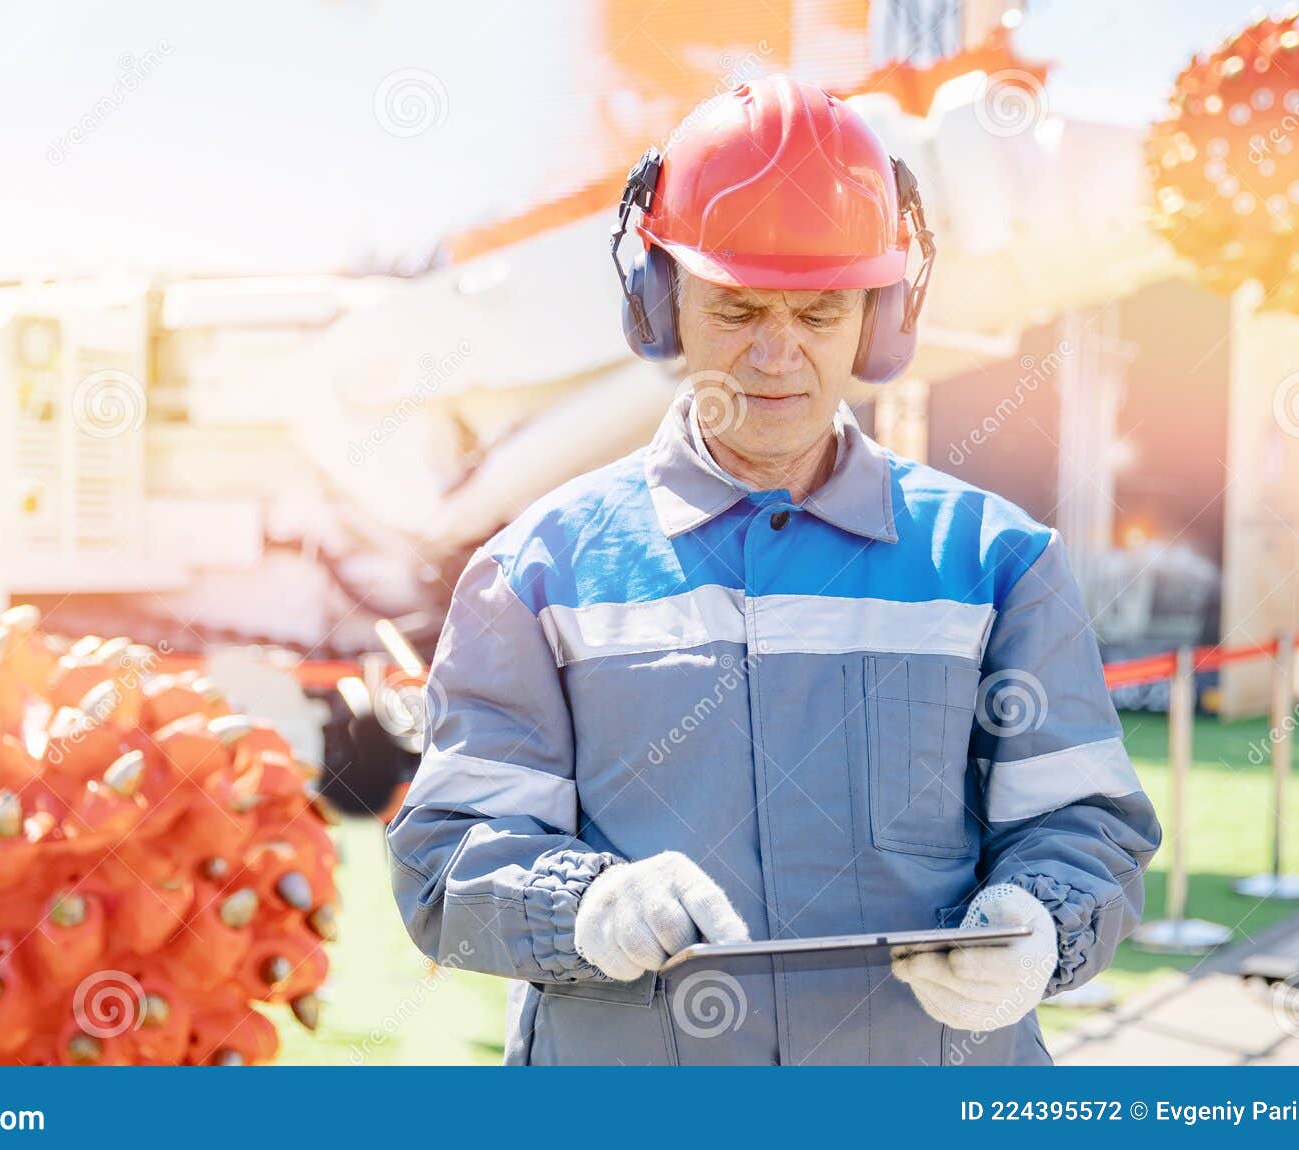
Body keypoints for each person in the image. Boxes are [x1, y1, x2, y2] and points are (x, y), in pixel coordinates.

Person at [387, 74, 1160, 1065]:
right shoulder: (537, 572)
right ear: (659, 302)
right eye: (737, 310)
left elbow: (1082, 823)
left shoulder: (997, 565)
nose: (776, 356)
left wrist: (1040, 921)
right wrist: (583, 907)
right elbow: (443, 862)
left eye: (819, 315)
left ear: (881, 321)